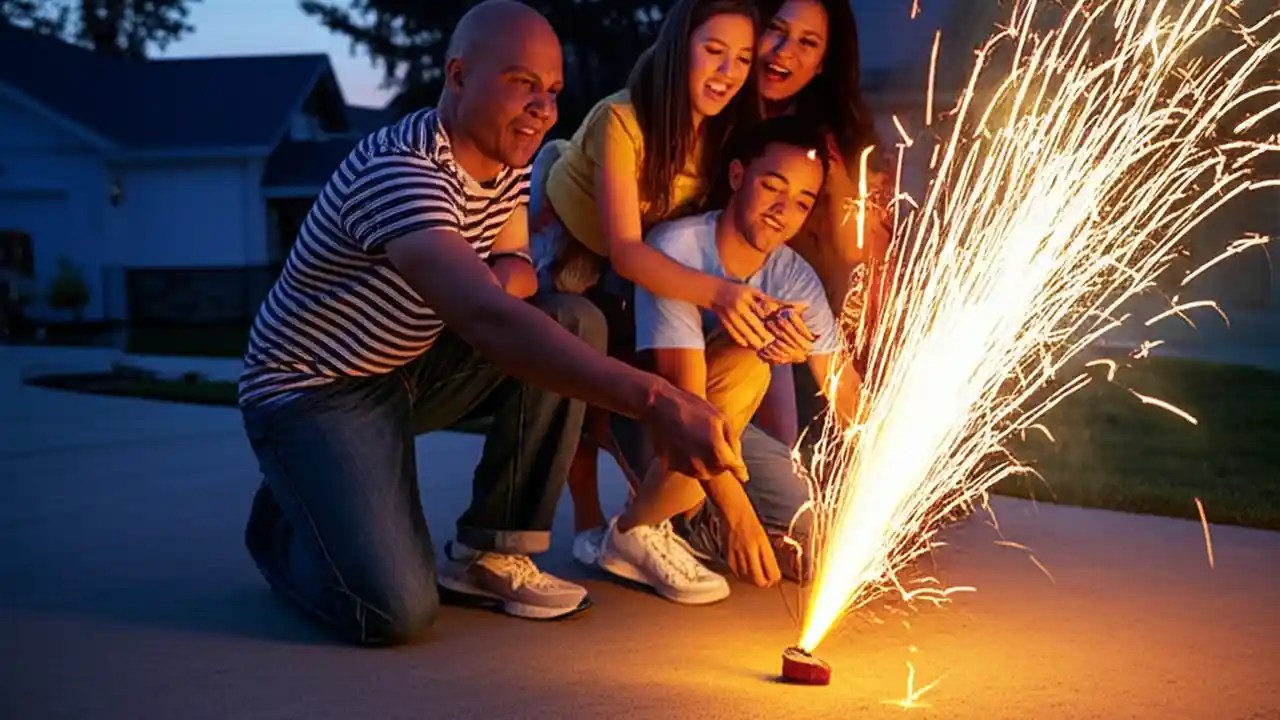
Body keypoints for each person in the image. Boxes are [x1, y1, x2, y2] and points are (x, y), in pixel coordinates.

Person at [238, 0, 745, 647]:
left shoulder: (505, 157)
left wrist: (487, 294)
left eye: (554, 91)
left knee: (573, 321)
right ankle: (288, 522)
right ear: (458, 77)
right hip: (313, 393)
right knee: (395, 612)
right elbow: (488, 316)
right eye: (522, 84)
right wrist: (656, 398)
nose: (544, 109)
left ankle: (489, 551)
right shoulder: (403, 171)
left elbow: (515, 270)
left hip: (411, 362)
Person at [527, 0, 790, 563]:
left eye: (742, 59)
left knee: (687, 359)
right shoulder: (622, 122)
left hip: (651, 262)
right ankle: (588, 512)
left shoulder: (724, 140)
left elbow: (701, 242)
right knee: (580, 350)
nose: (727, 72)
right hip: (574, 242)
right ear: (678, 50)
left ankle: (655, 509)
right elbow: (624, 249)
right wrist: (720, 292)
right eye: (713, 52)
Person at [593, 116, 865, 603]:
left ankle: (694, 524)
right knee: (750, 355)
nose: (784, 212)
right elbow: (689, 407)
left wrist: (882, 468)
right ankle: (646, 527)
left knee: (822, 545)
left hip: (731, 430)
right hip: (653, 417)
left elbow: (844, 391)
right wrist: (739, 519)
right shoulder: (678, 249)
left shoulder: (793, 276)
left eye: (802, 203)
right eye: (772, 187)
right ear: (738, 176)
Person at [747, 0, 892, 447]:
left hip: (816, 327)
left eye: (807, 43)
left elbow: (857, 254)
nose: (784, 51)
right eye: (776, 29)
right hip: (723, 304)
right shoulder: (712, 116)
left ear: (823, 64)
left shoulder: (835, 145)